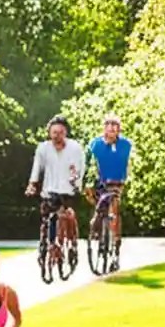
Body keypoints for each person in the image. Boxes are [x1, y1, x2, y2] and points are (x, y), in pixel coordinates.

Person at [25, 116, 85, 262]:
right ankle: (48, 245)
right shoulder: (43, 148)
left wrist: (75, 179)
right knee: (47, 218)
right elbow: (37, 168)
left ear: (66, 133)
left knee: (67, 215)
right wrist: (32, 184)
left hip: (68, 189)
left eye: (60, 132)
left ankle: (72, 244)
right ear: (49, 133)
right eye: (54, 132)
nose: (57, 136)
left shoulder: (75, 148)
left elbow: (79, 169)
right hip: (49, 190)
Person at [84, 114, 133, 268]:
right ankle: (97, 231)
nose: (111, 130)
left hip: (117, 183)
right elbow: (86, 163)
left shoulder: (125, 145)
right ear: (104, 128)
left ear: (118, 130)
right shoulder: (95, 144)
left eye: (115, 127)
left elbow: (129, 164)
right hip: (100, 182)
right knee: (98, 208)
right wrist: (86, 182)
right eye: (108, 126)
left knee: (114, 210)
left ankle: (115, 246)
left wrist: (125, 180)